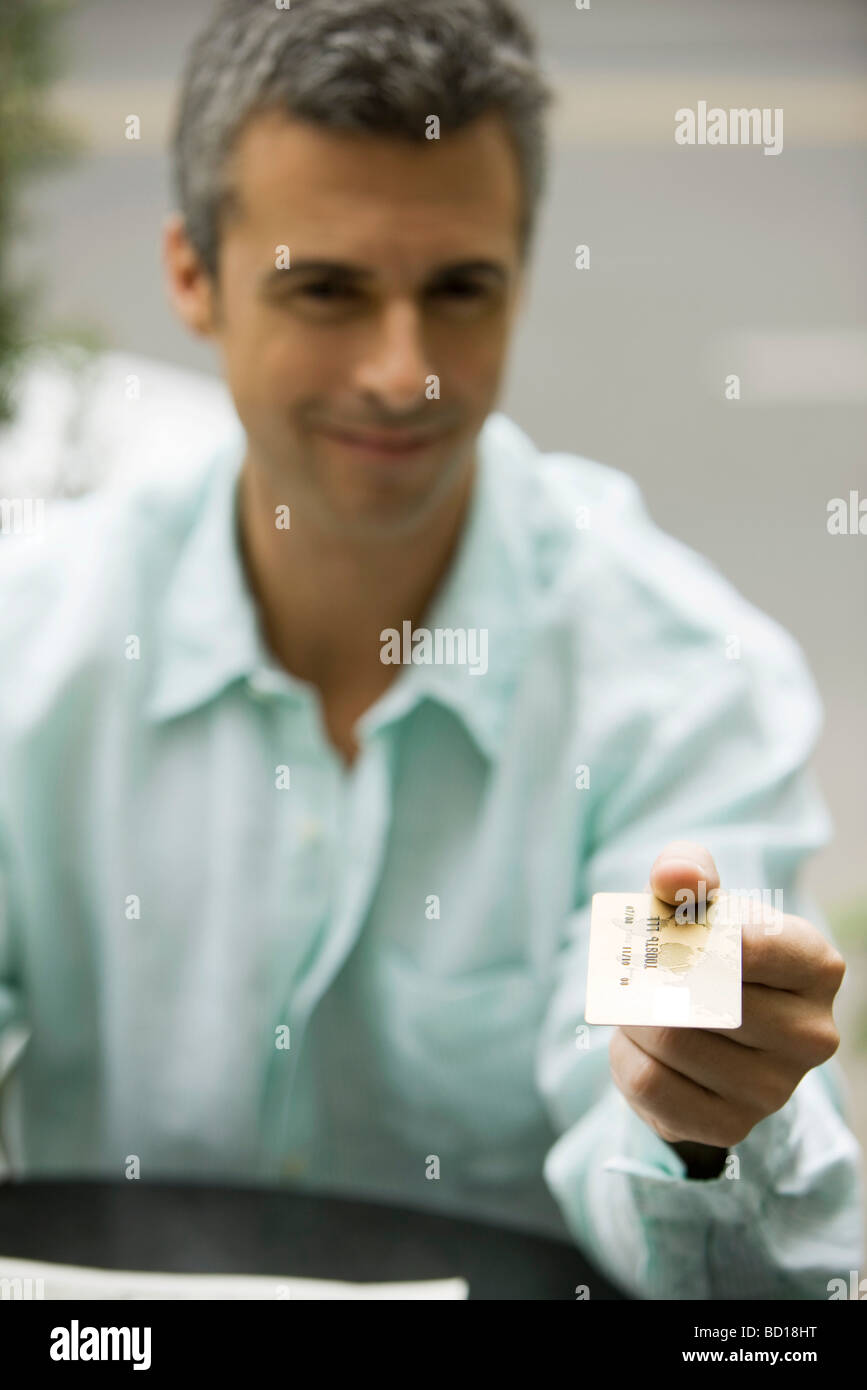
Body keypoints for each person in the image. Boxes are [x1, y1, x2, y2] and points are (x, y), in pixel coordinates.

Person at [0, 0, 862, 1300]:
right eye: (326, 289)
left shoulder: (679, 687)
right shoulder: (32, 641)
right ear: (193, 276)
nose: (404, 374)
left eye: (459, 290)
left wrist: (701, 1108)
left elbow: (724, 1255)